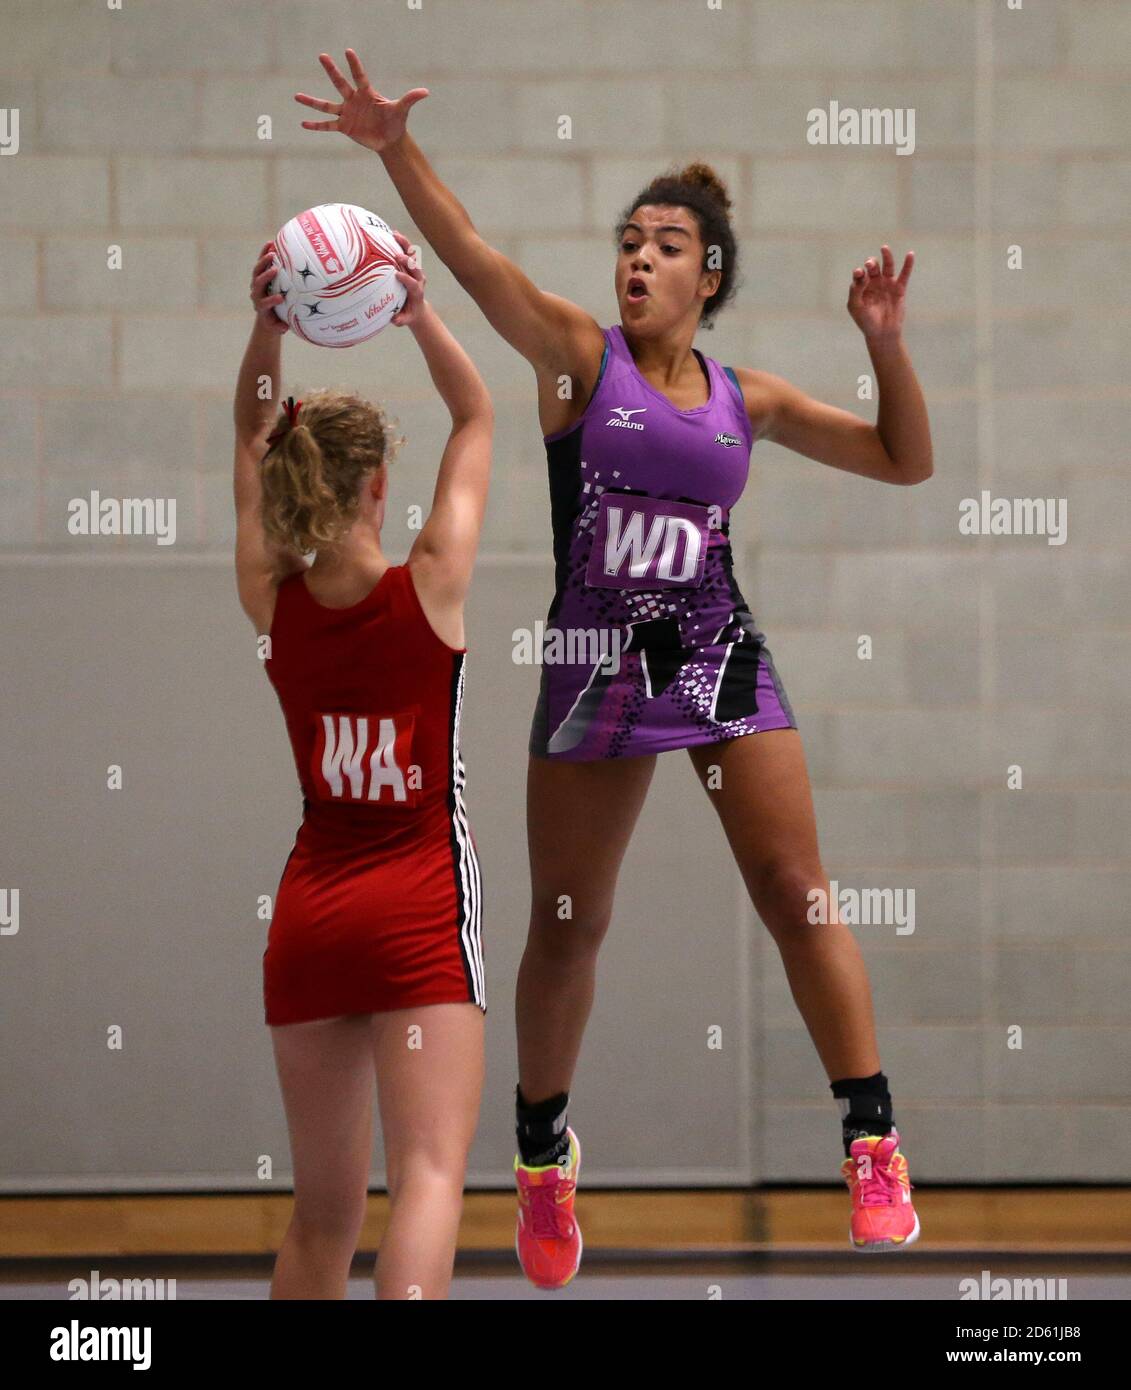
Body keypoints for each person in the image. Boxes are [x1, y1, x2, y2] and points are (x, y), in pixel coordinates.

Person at [294, 48, 932, 1286]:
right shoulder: (581, 360)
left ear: (711, 273)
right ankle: (542, 1155)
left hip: (715, 649)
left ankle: (872, 1138)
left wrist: (887, 343)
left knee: (798, 889)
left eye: (664, 244)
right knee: (570, 929)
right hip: (596, 664)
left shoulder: (751, 399)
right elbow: (473, 256)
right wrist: (390, 150)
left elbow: (904, 458)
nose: (637, 257)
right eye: (627, 239)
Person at [232, 229, 492, 1299]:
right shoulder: (429, 583)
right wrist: (419, 309)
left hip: (310, 916)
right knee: (427, 1177)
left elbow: (246, 438)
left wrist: (267, 323)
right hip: (419, 907)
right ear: (383, 488)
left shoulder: (270, 599)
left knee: (322, 1215)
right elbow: (479, 414)